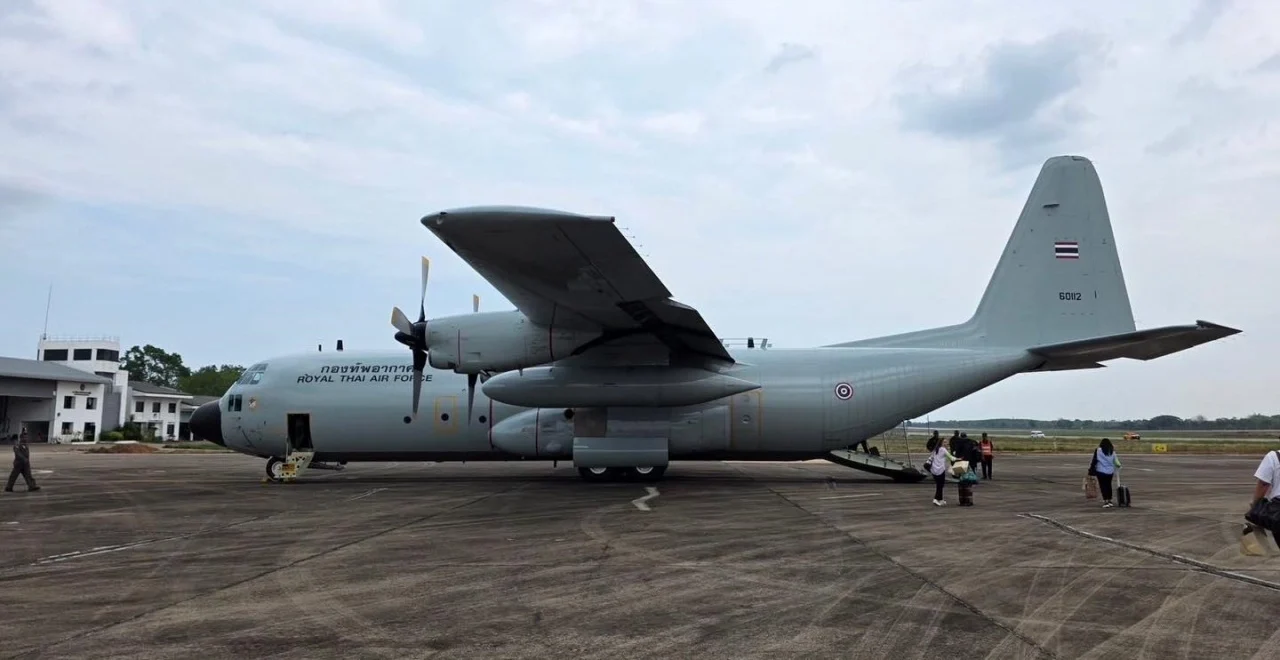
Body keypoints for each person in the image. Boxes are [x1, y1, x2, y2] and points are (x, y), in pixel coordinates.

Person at [1088, 438, 1120, 508]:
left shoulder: (1098, 451)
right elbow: (1116, 461)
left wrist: (1090, 470)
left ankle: (1105, 501)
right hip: (1110, 471)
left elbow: (1094, 461)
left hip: (1101, 471)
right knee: (1109, 486)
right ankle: (1110, 500)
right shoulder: (1112, 451)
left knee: (1103, 486)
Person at [927, 435, 956, 506]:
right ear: (941, 443)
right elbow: (951, 458)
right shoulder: (943, 449)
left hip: (933, 470)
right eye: (945, 442)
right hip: (940, 470)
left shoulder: (935, 449)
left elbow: (931, 458)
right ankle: (936, 499)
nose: (946, 443)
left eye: (946, 442)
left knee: (939, 485)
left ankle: (941, 499)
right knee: (940, 485)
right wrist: (959, 458)